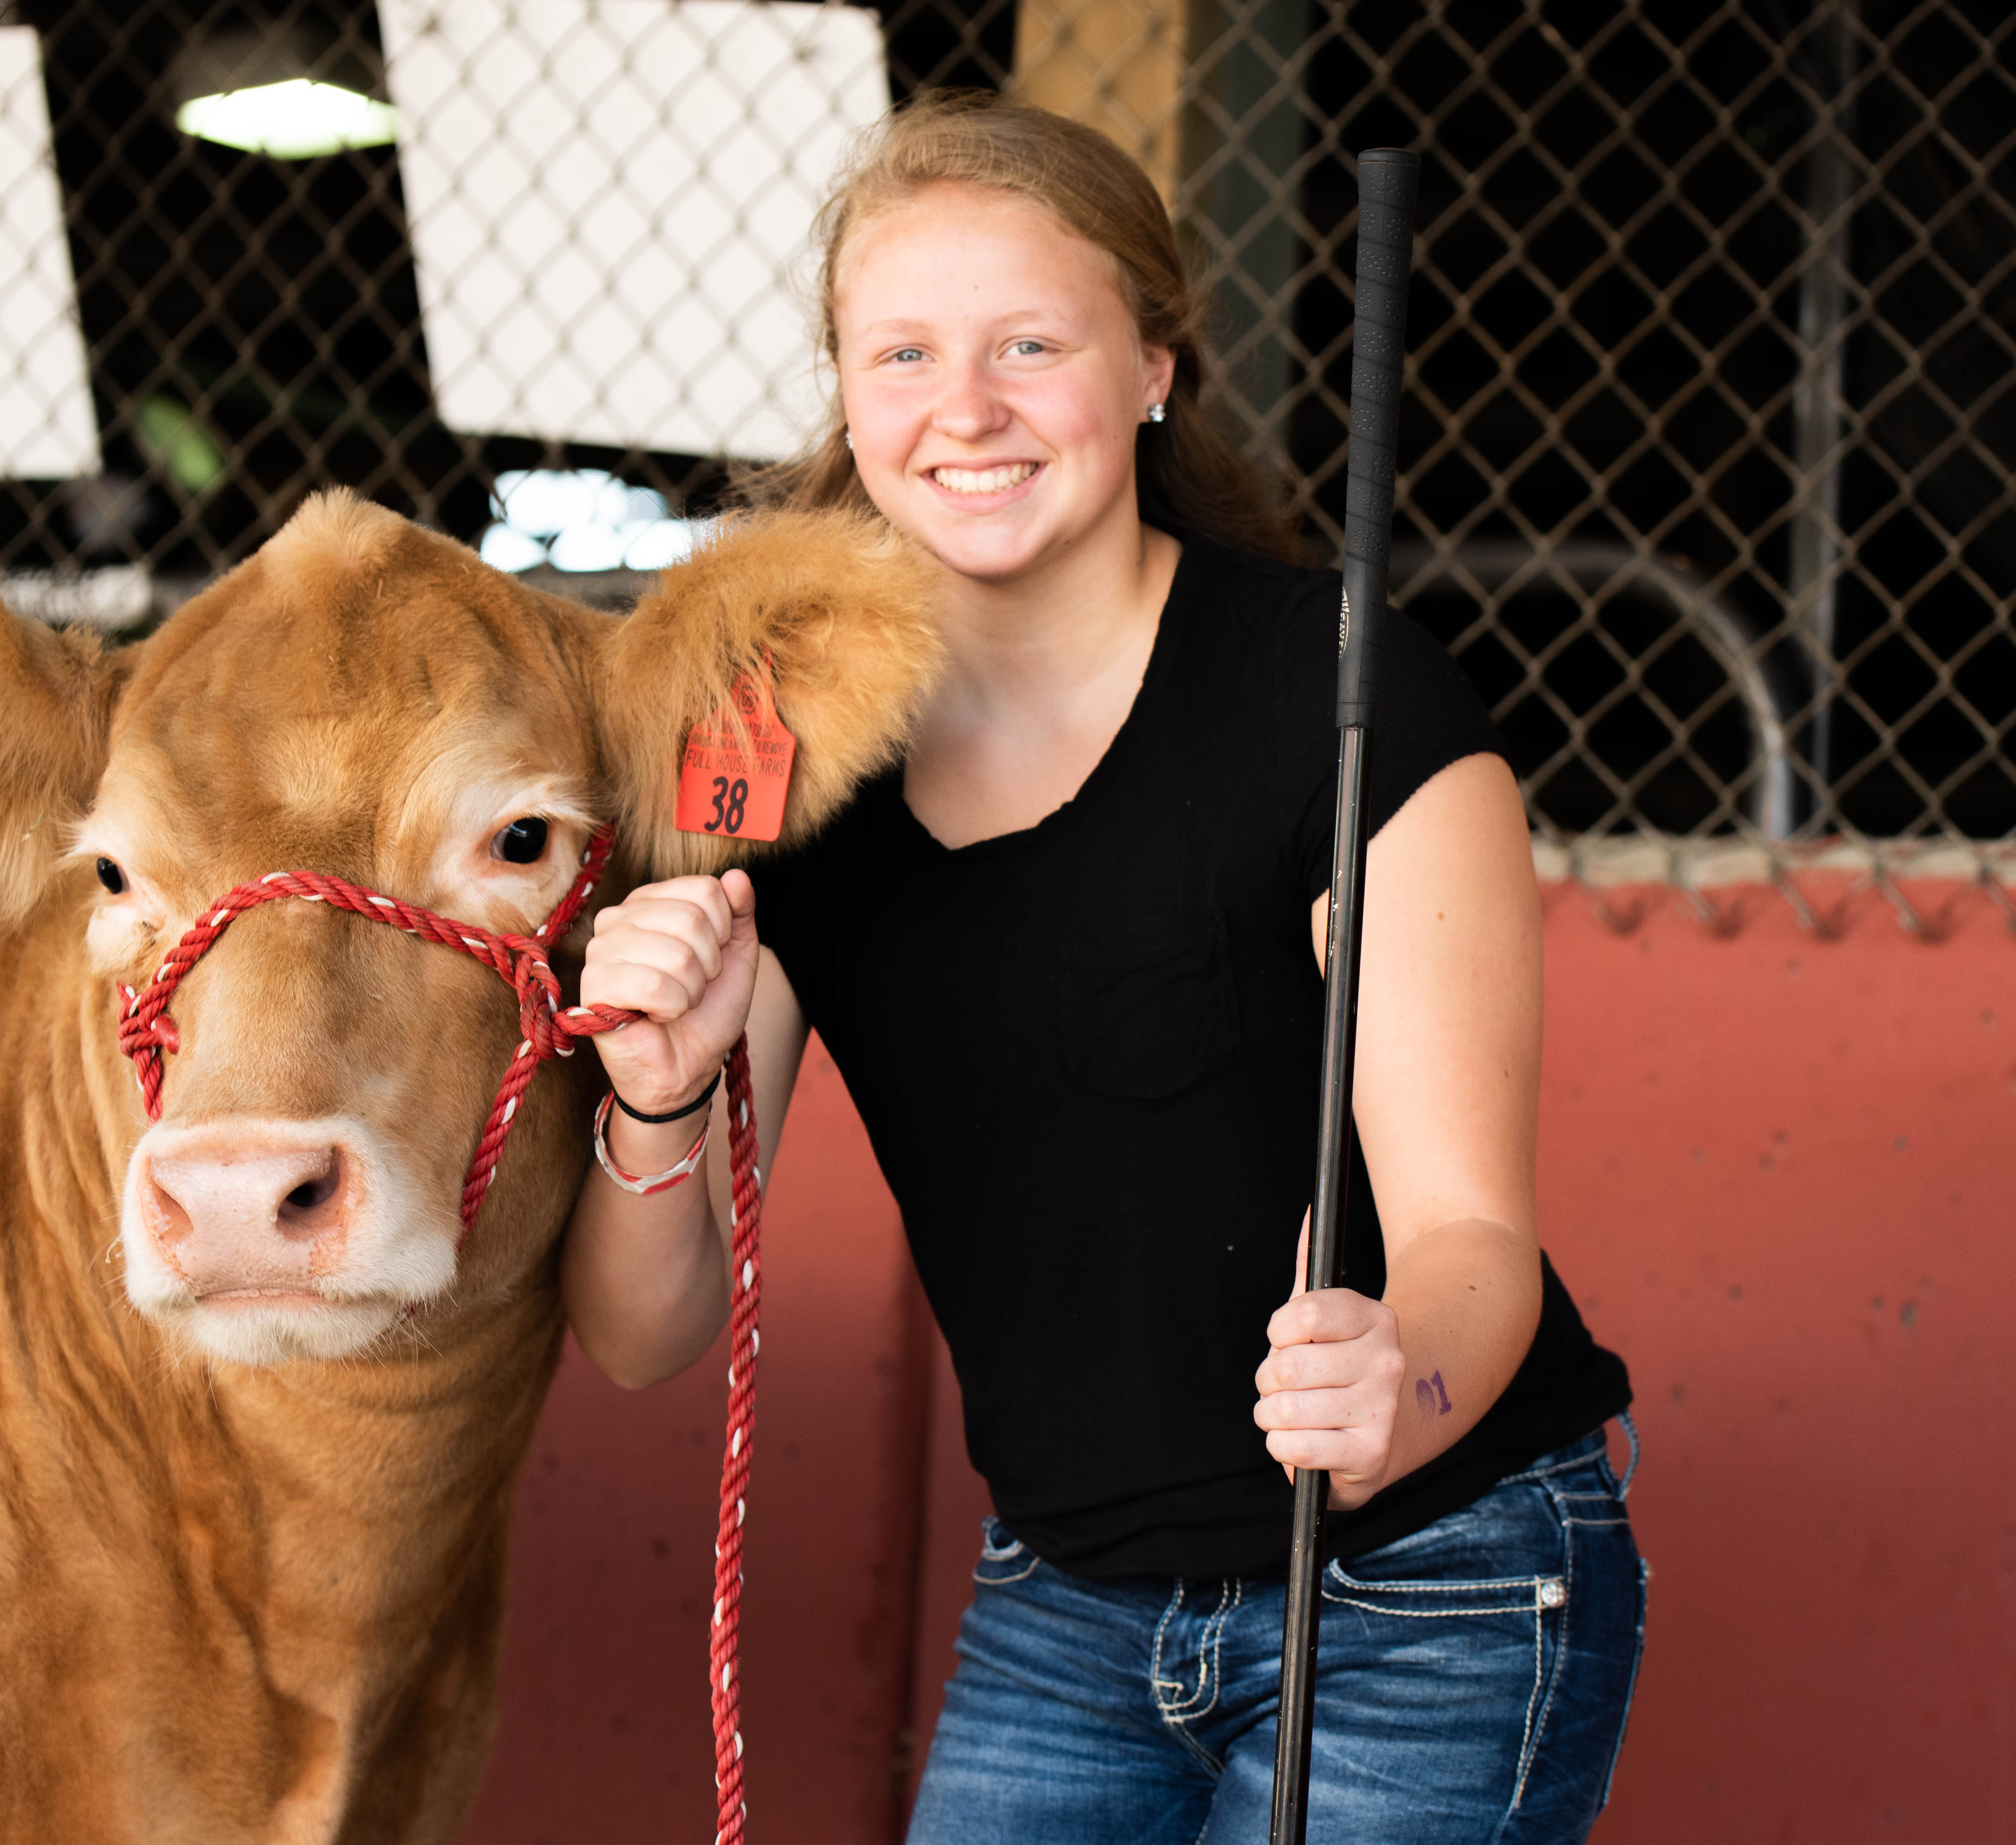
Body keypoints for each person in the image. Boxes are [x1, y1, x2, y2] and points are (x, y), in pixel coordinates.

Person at [560, 93, 1644, 1845]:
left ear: (1149, 366)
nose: (962, 410)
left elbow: (1471, 1248)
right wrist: (653, 1093)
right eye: (901, 352)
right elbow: (641, 1333)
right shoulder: (781, 758)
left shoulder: (1334, 692)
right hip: (1067, 1602)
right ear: (845, 394)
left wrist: (1401, 1384)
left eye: (1030, 345)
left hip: (1420, 1584)